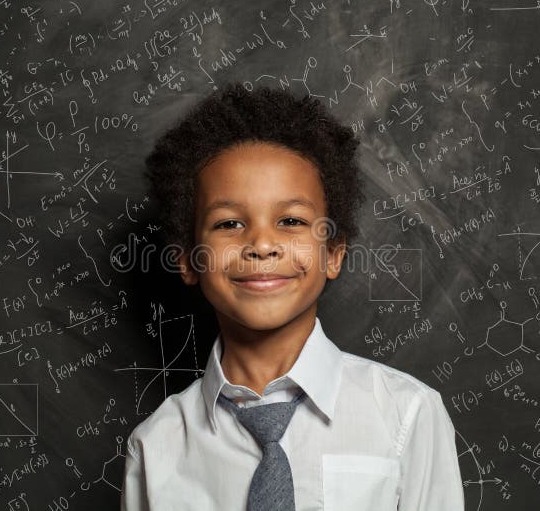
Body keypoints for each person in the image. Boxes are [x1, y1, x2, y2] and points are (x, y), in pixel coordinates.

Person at [121, 83, 464, 510]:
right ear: (189, 260)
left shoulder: (407, 416)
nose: (262, 244)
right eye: (228, 224)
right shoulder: (156, 448)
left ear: (333, 254)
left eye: (290, 220)